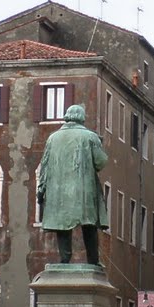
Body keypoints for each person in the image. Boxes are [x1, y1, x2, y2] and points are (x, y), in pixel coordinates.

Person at [36, 104, 108, 265]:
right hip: (83, 190)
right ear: (82, 117)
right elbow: (100, 162)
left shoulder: (52, 138)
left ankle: (64, 259)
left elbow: (45, 165)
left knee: (62, 226)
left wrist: (41, 190)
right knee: (89, 224)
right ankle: (93, 261)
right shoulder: (90, 137)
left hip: (59, 191)